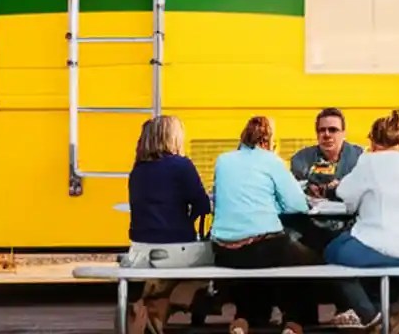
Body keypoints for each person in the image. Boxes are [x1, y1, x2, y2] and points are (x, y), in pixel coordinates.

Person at [325, 110, 399, 334]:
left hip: (382, 247)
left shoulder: (369, 161)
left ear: (373, 140)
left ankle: (371, 315)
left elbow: (346, 194)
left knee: (332, 254)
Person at [211, 116, 319, 334]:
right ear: (268, 141)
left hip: (223, 251)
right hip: (262, 248)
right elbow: (297, 205)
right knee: (308, 260)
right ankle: (293, 323)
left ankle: (243, 320)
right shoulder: (271, 161)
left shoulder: (223, 160)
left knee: (258, 264)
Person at [124, 115, 212, 334]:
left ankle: (151, 309)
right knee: (215, 257)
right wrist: (187, 220)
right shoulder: (181, 166)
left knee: (163, 273)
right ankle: (163, 305)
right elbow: (202, 205)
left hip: (140, 250)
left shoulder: (137, 171)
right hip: (175, 249)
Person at [290, 107, 364, 200]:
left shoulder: (360, 158)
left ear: (344, 133)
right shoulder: (301, 159)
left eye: (333, 130)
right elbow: (293, 193)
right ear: (317, 134)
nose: (327, 135)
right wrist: (306, 189)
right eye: (322, 130)